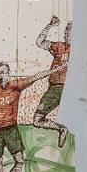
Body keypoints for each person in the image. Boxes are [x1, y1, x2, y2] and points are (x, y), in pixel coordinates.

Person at [33, 16, 70, 147]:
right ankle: (61, 129)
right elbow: (40, 42)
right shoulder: (59, 47)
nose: (68, 35)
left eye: (71, 33)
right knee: (37, 120)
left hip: (70, 90)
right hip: (54, 89)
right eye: (66, 32)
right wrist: (50, 25)